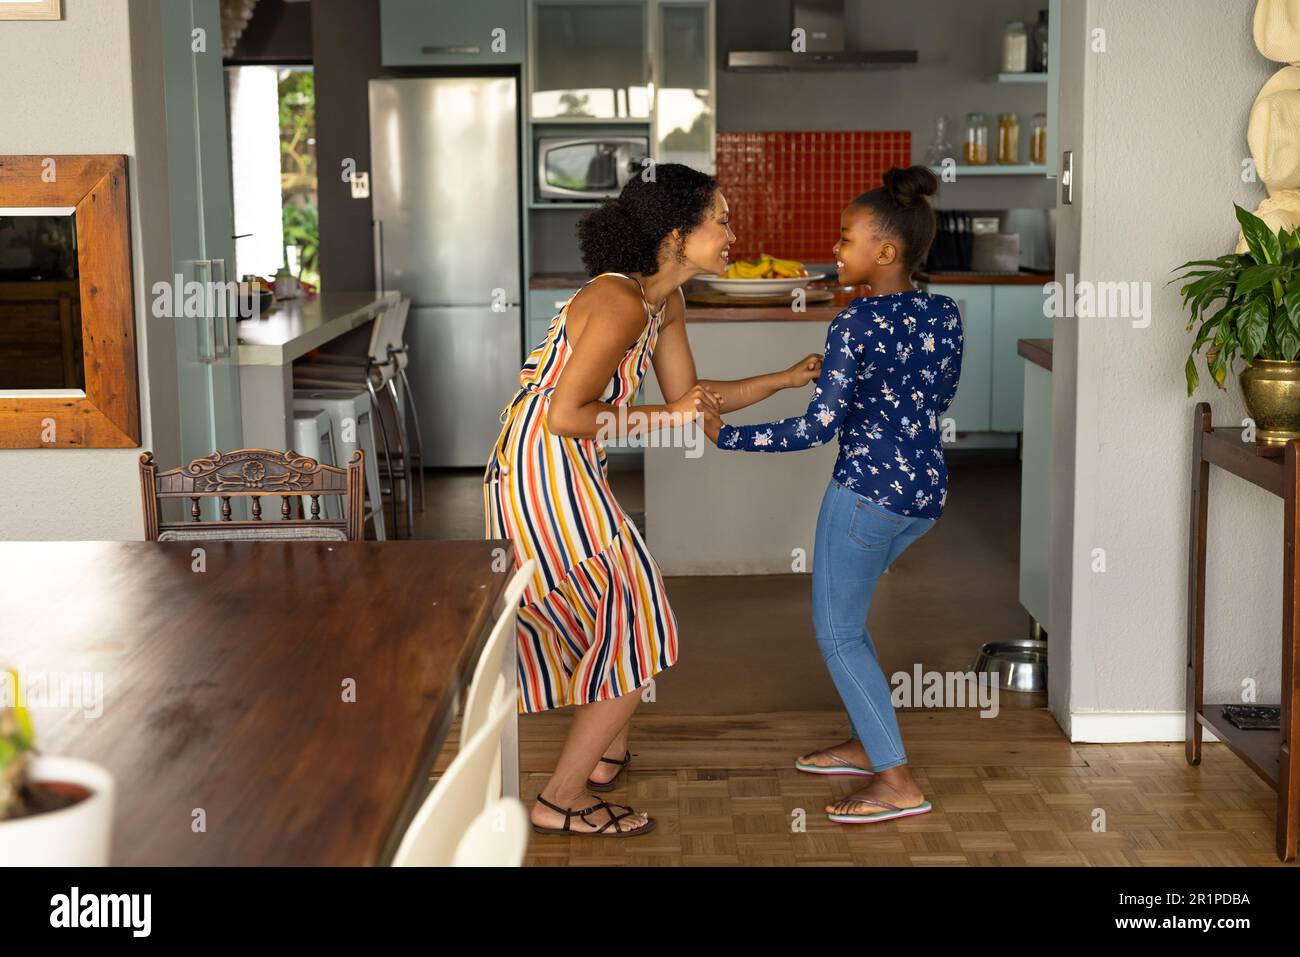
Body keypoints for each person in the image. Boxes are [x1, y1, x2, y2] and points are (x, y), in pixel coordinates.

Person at [484, 163, 823, 836]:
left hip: (564, 464)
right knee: (639, 613)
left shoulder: (665, 302)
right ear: (675, 235)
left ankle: (603, 755)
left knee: (621, 607)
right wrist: (668, 420)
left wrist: (784, 379)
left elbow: (687, 399)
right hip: (540, 468)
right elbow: (564, 415)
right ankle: (560, 797)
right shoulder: (616, 302)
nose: (732, 232)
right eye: (720, 219)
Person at [700, 166, 962, 824]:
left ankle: (896, 780)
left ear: (886, 251)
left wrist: (730, 438)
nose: (836, 250)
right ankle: (867, 741)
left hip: (866, 494)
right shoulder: (945, 313)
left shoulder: (856, 322)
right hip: (924, 494)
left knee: (839, 632)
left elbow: (820, 428)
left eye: (847, 239)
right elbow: (929, 398)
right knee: (853, 623)